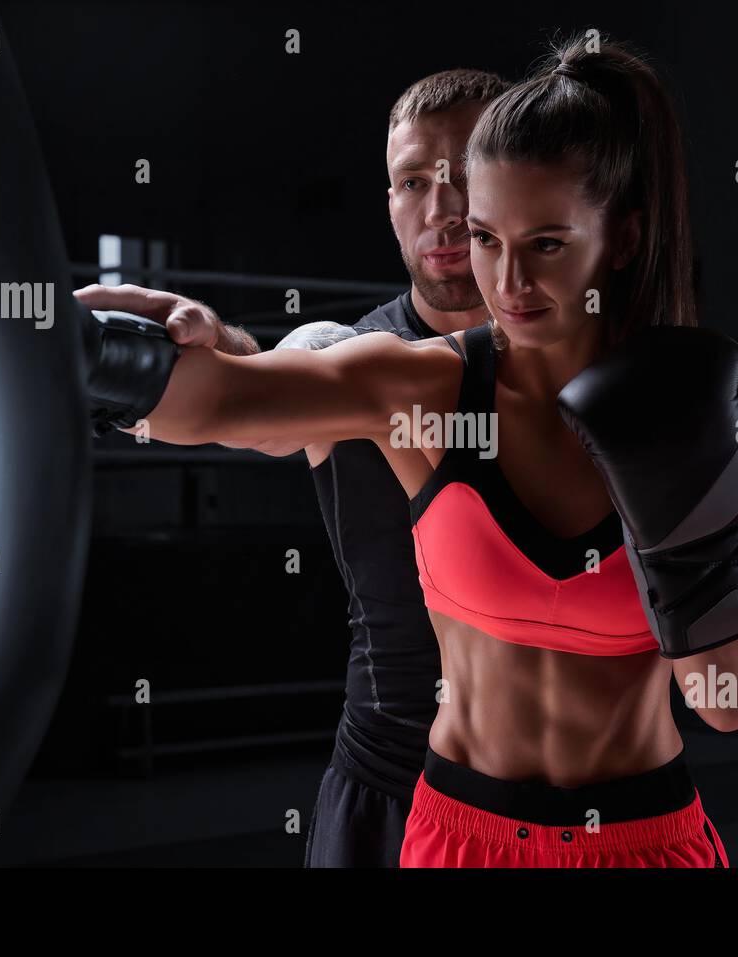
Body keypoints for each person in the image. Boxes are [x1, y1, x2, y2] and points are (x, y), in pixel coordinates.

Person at [79, 35, 738, 867]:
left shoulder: (688, 406)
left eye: (547, 244)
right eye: (488, 240)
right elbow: (224, 401)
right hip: (458, 833)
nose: (509, 283)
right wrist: (77, 349)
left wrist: (688, 504)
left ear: (622, 240)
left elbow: (732, 702)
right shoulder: (416, 385)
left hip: (641, 840)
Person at [82, 69, 510, 867]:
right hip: (389, 781)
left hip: (550, 792)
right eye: (414, 180)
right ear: (390, 204)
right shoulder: (346, 358)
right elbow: (242, 390)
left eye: (467, 173)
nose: (442, 205)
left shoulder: (577, 364)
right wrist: (97, 353)